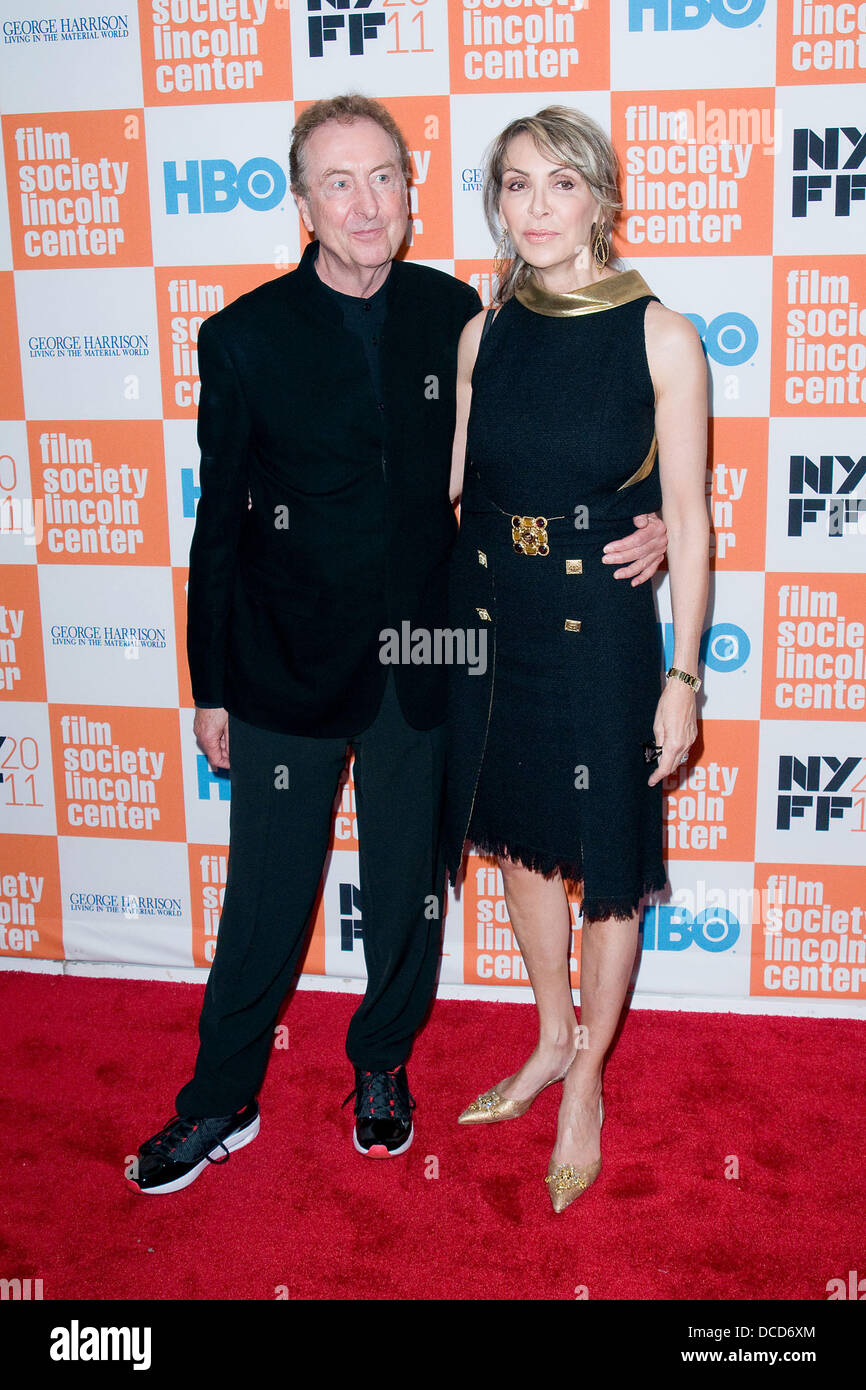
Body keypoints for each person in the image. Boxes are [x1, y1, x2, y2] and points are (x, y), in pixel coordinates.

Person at [129, 96, 668, 1196]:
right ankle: (220, 1097)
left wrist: (642, 512)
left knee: (406, 890)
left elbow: (548, 450)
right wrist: (210, 685)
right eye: (339, 182)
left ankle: (381, 1063)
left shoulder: (460, 315)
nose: (366, 203)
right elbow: (217, 525)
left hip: (429, 657)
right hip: (283, 664)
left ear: (411, 194)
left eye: (383, 176)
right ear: (303, 203)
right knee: (265, 896)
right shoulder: (242, 336)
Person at [444, 106, 709, 1213]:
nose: (538, 206)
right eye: (517, 184)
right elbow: (457, 489)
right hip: (499, 623)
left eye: (561, 183)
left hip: (600, 631)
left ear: (599, 197)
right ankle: (551, 1036)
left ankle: (587, 1079)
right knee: (517, 841)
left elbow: (689, 519)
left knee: (605, 857)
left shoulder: (660, 335)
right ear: (496, 203)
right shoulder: (483, 333)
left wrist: (683, 678)